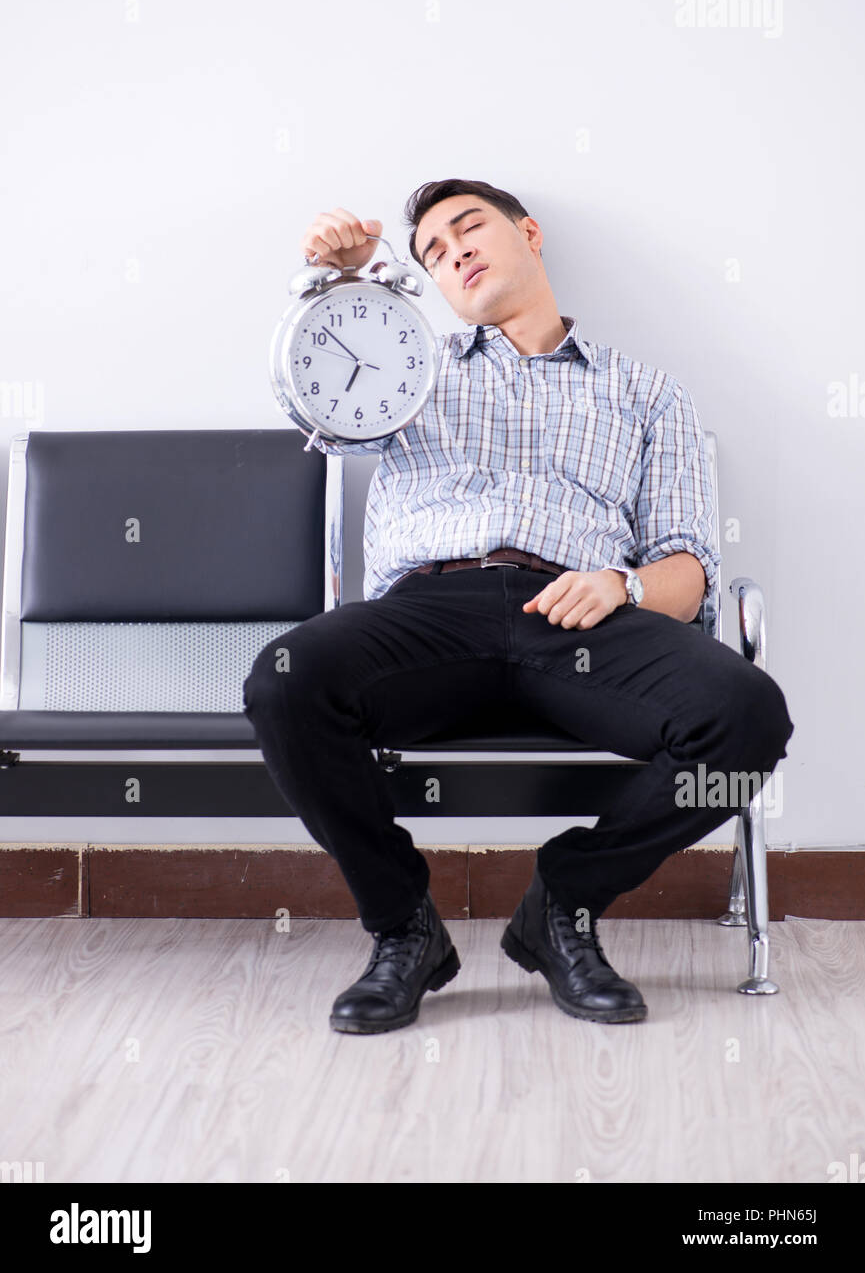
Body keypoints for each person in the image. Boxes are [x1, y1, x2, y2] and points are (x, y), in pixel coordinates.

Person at [242, 178, 795, 1035]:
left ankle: (562, 905)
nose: (453, 250)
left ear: (528, 234)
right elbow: (321, 388)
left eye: (469, 228)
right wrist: (347, 284)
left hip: (583, 615)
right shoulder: (407, 369)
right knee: (284, 678)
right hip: (431, 615)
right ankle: (404, 928)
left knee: (747, 717)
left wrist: (624, 585)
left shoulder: (646, 392)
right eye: (432, 251)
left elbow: (690, 563)